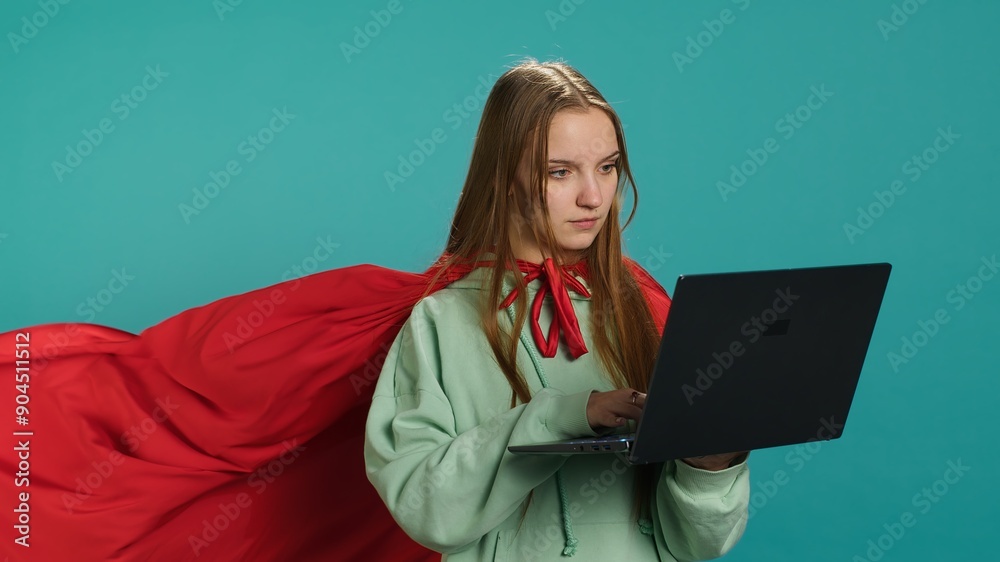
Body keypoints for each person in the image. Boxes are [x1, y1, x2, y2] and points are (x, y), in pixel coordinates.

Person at [364, 60, 751, 561]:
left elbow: (697, 544)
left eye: (607, 167)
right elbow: (425, 508)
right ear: (505, 177)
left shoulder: (645, 309)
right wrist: (567, 415)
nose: (593, 197)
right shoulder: (441, 322)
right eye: (560, 172)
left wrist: (709, 467)